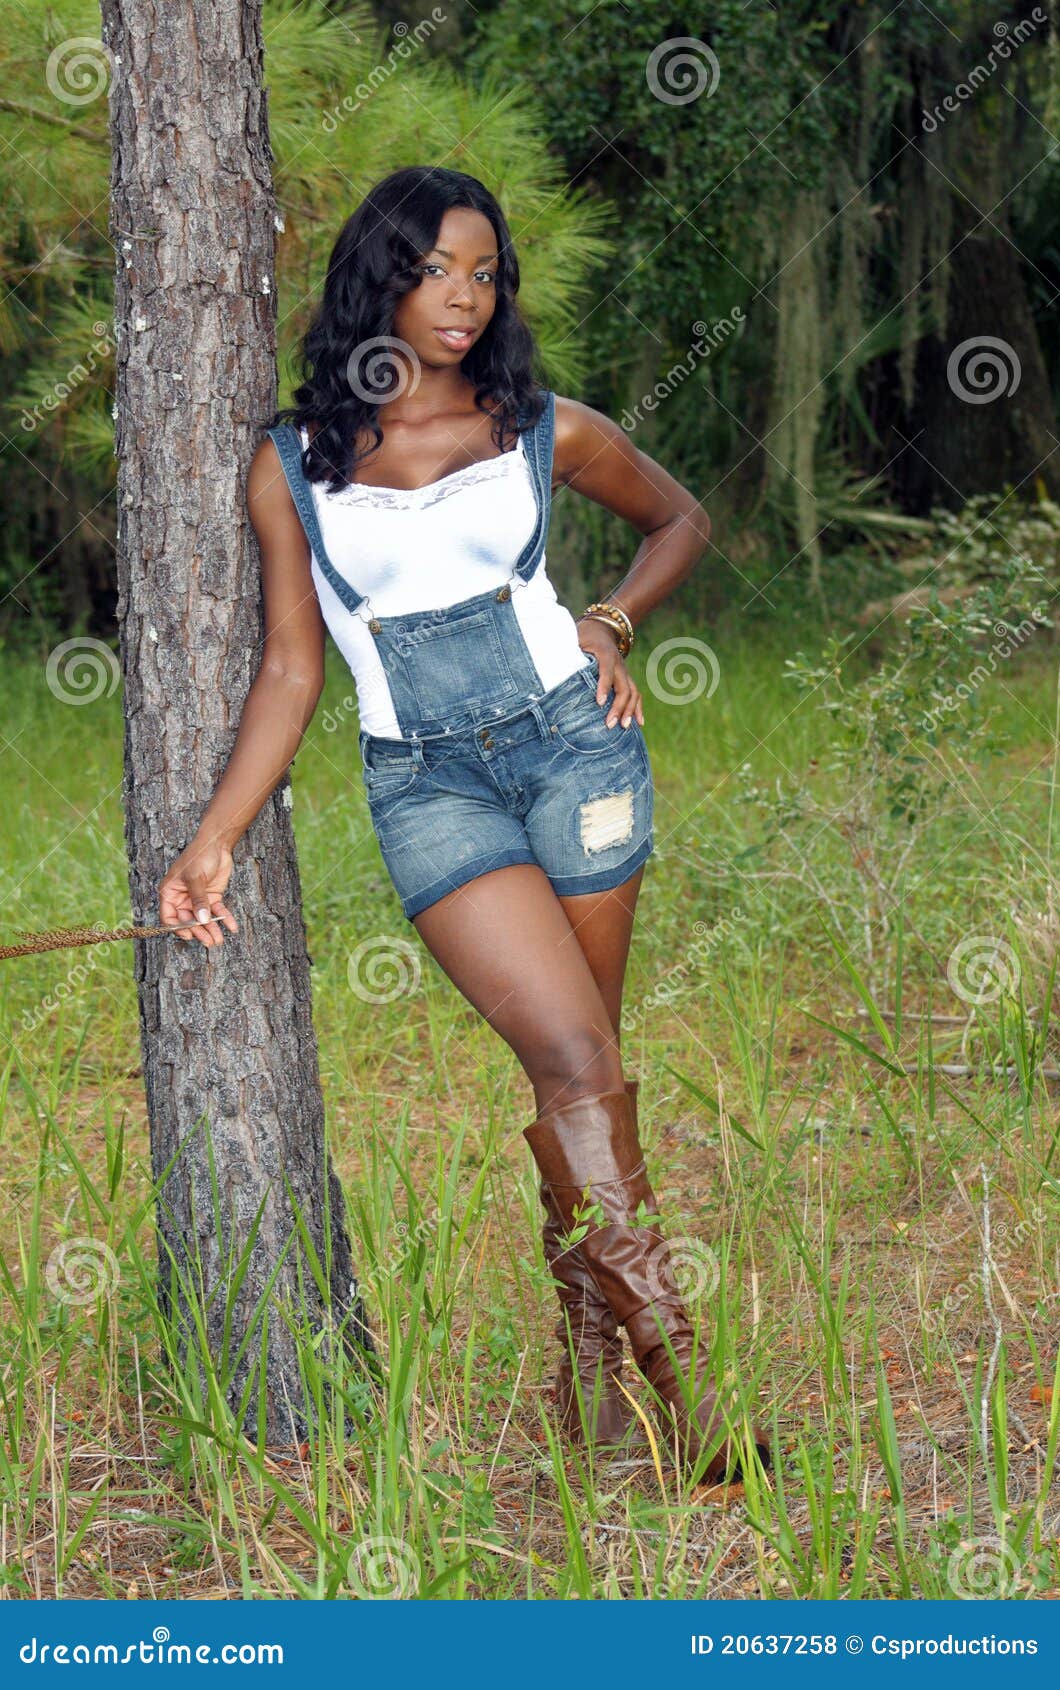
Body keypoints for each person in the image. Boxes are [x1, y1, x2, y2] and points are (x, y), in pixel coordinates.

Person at [157, 165, 772, 1487]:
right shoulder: (293, 462)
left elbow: (680, 519)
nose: (466, 296)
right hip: (428, 786)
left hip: (577, 753)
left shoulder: (542, 426)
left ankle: (597, 1371)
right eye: (441, 267)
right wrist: (214, 837)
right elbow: (289, 668)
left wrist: (612, 616)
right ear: (381, 275)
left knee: (583, 1077)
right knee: (567, 1052)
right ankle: (693, 1393)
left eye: (485, 272)